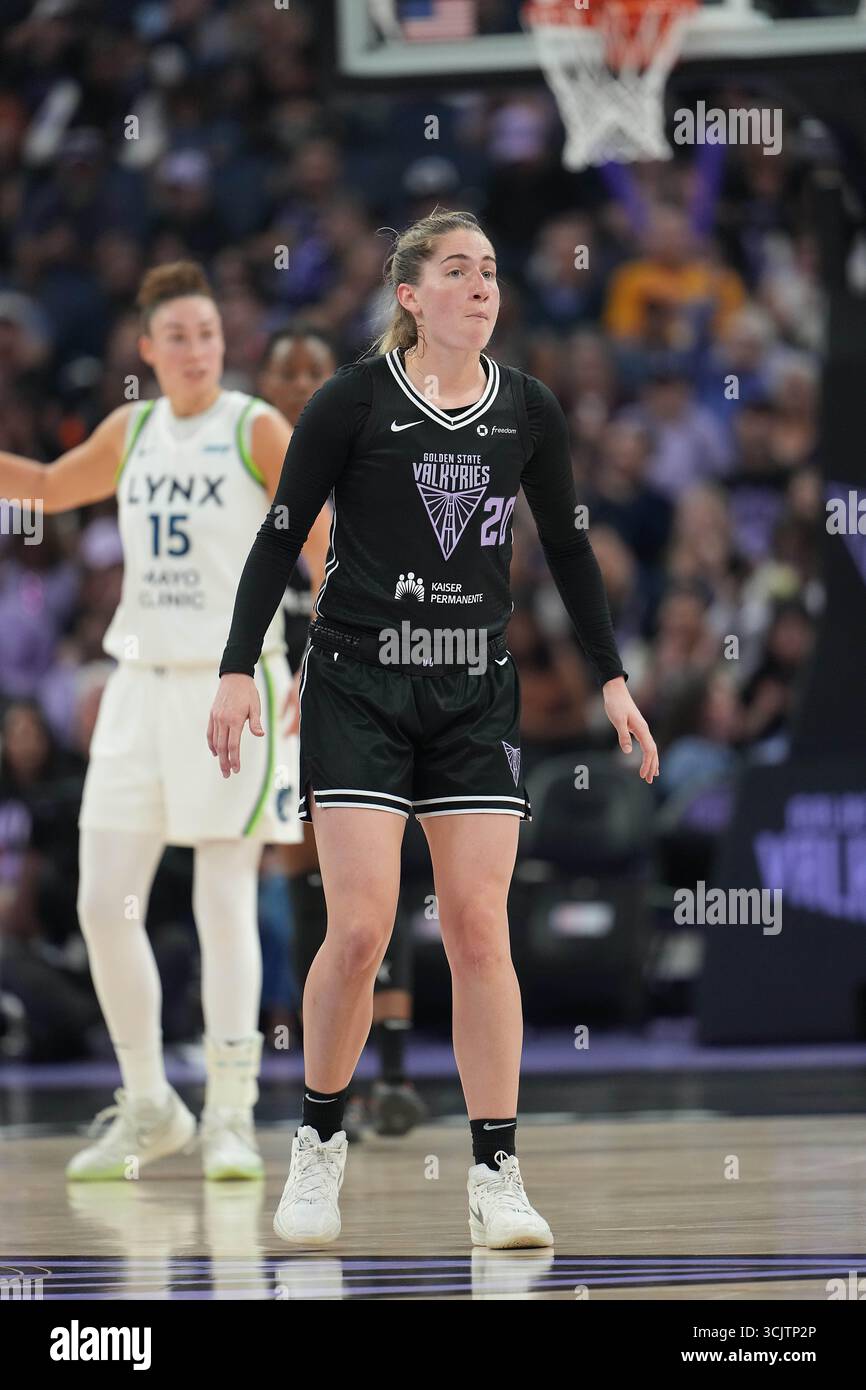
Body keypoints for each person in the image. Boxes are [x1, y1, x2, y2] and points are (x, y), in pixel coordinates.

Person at [209, 210, 659, 1249]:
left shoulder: (529, 411)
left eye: (491, 270)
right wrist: (237, 667)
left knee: (476, 929)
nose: (481, 285)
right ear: (409, 295)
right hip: (360, 686)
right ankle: (318, 1143)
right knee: (361, 926)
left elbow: (572, 550)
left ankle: (495, 1171)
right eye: (456, 270)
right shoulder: (349, 400)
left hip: (470, 693)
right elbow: (281, 536)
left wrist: (611, 679)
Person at [0, 261, 331, 1181]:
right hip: (139, 683)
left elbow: (327, 548)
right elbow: (49, 486)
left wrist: (324, 660)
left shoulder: (254, 427)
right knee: (103, 902)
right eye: (177, 335)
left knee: (221, 897)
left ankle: (230, 1112)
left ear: (226, 347)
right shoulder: (132, 428)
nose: (195, 349)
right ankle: (149, 1103)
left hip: (234, 683)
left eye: (210, 334)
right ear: (146, 350)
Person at [257, 323, 428, 1139]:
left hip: (351, 686)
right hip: (273, 697)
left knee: (373, 889)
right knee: (304, 884)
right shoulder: (249, 459)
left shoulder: (360, 450)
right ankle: (325, 1077)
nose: (296, 383)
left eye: (311, 370)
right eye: (283, 372)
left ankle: (388, 1077)